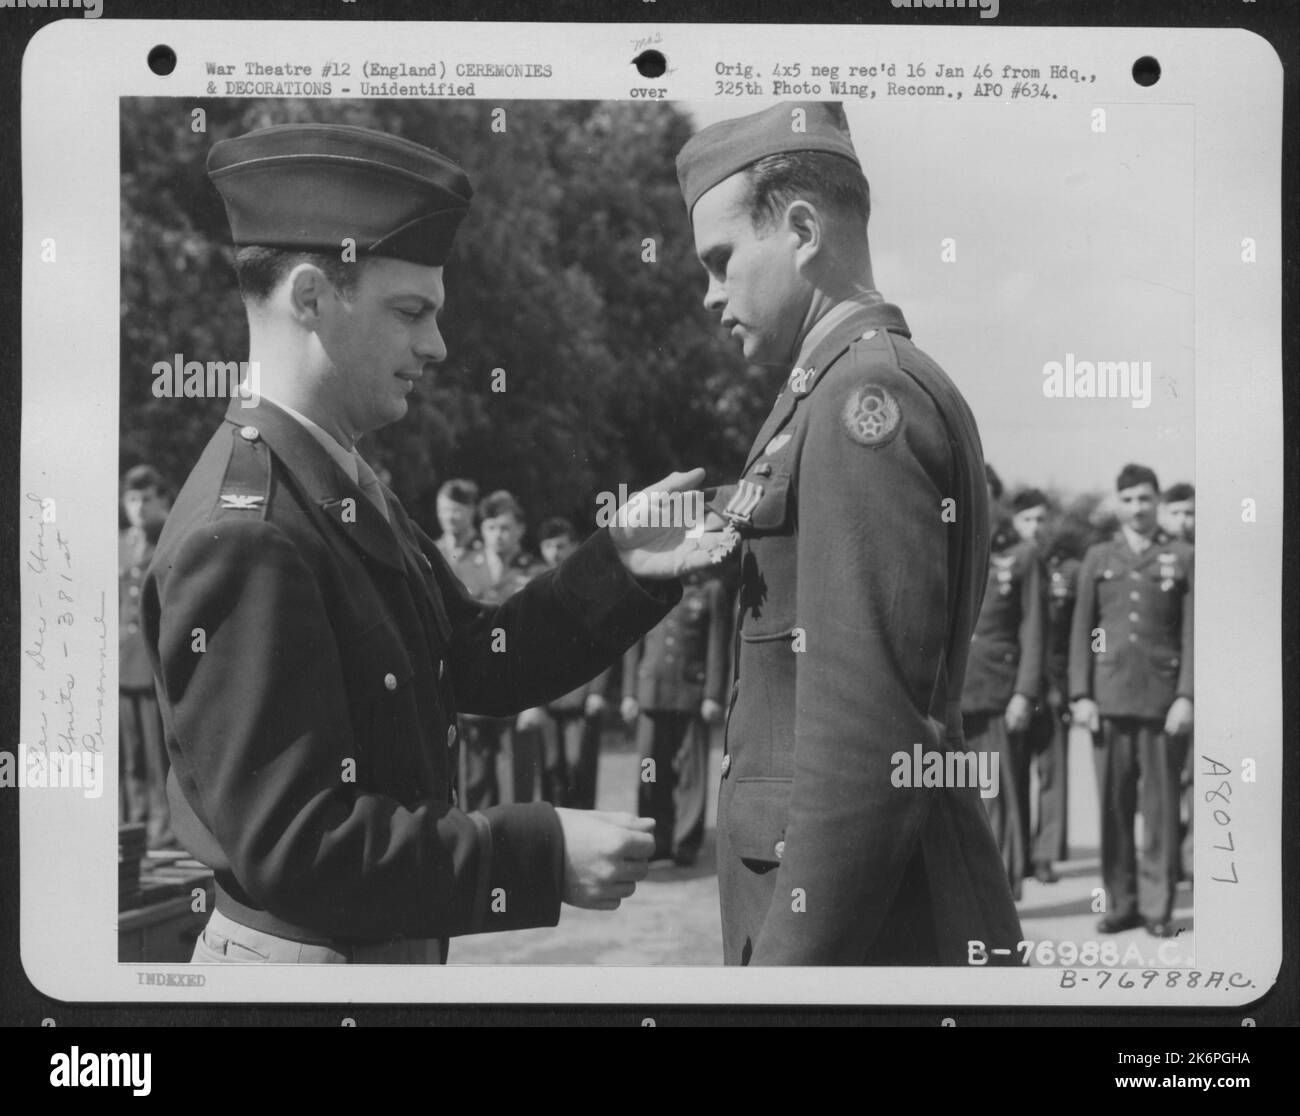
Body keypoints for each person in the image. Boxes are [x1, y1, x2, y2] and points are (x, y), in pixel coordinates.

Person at [143, 122, 730, 964]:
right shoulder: (247, 534)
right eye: (412, 311)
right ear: (309, 296)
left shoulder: (338, 484)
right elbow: (299, 846)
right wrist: (539, 851)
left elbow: (473, 659)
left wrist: (620, 568)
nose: (438, 346)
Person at [676, 101, 1022, 964]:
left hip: (865, 934)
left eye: (720, 262)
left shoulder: (861, 400)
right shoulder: (832, 392)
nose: (710, 296)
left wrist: (790, 980)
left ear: (799, 229)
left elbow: (867, 738)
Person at [1069, 464, 1194, 939]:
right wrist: (1081, 694)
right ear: (1117, 504)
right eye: (1128, 500)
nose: (1137, 508)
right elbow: (1082, 629)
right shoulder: (1099, 557)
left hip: (1164, 705)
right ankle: (1121, 905)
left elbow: (1191, 632)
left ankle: (1158, 907)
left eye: (1145, 499)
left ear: (1158, 501)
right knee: (1115, 810)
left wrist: (1186, 696)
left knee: (1161, 811)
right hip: (1109, 700)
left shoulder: (1182, 556)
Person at [961, 496, 1046, 901]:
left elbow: (1033, 630)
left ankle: (1001, 894)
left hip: (998, 693)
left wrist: (1024, 693)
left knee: (998, 795)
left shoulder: (1022, 557)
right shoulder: (950, 546)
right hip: (951, 694)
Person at [621, 569, 729, 866]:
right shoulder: (647, 584)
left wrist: (712, 694)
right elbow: (632, 642)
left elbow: (718, 643)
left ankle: (685, 842)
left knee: (691, 772)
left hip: (690, 692)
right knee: (651, 768)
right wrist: (629, 692)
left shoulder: (710, 588)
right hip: (651, 690)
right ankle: (655, 840)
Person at [458, 490, 550, 808]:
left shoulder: (537, 573)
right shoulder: (463, 569)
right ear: (482, 530)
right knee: (475, 783)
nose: (499, 535)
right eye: (492, 527)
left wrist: (536, 701)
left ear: (521, 530)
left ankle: (518, 855)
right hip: (475, 693)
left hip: (519, 692)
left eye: (506, 528)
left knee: (518, 784)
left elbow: (543, 642)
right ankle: (482, 854)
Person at [1010, 486, 1070, 884]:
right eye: (1027, 519)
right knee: (1013, 772)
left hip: (1054, 685)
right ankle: (1018, 851)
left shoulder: (1064, 567)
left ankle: (1045, 854)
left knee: (1053, 773)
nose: (1035, 527)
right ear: (1015, 523)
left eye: (1040, 519)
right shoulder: (1006, 563)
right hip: (1015, 683)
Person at [119, 464, 175, 850]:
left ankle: (163, 830)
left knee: (159, 756)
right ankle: (134, 826)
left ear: (163, 502)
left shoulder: (170, 541)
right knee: (132, 752)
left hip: (155, 665)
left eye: (147, 499)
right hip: (122, 665)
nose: (139, 508)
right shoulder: (120, 543)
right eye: (132, 499)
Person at [538, 517, 611, 809]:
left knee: (578, 765)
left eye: (561, 545)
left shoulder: (595, 585)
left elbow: (608, 642)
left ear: (575, 546)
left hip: (582, 695)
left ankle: (586, 833)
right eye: (547, 546)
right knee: (550, 766)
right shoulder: (535, 585)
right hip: (545, 695)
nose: (554, 553)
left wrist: (597, 691)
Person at [1159, 481, 1196, 882]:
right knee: (1167, 777)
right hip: (1168, 687)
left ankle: (1190, 857)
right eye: (1178, 512)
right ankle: (1169, 860)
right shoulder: (1162, 559)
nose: (1184, 521)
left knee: (1199, 775)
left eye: (1191, 512)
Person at [433, 478, 486, 585]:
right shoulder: (433, 550)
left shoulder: (488, 549)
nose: (449, 517)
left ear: (472, 510)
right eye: (443, 510)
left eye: (455, 510)